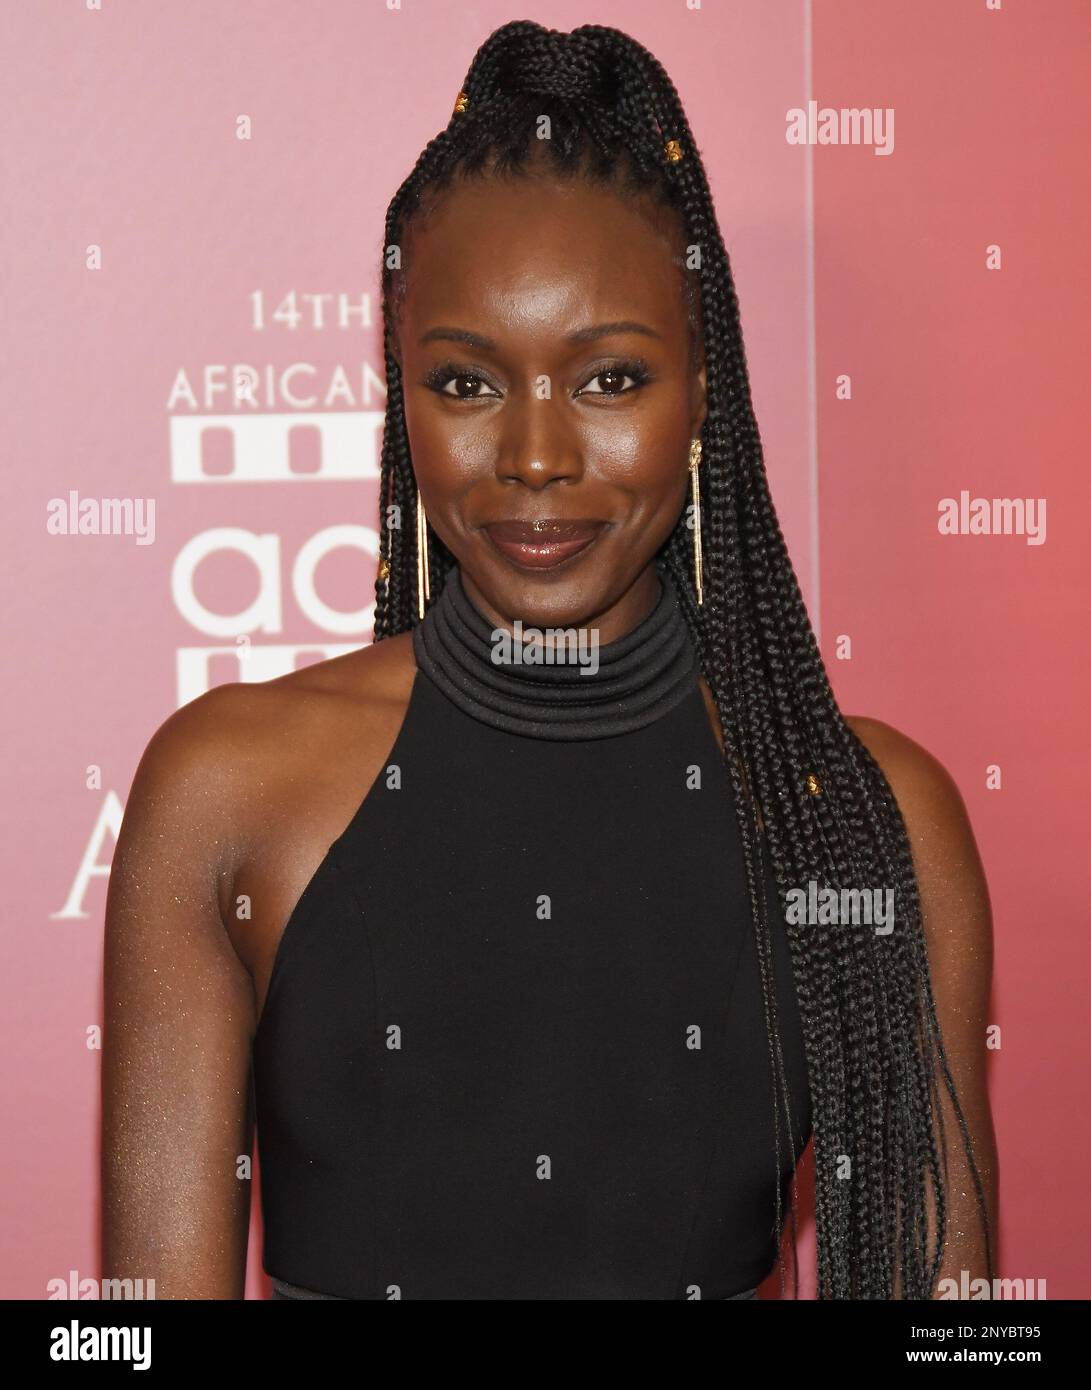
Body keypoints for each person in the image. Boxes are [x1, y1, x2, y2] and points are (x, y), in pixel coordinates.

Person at [101, 21, 997, 1300]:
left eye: (608, 378)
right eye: (465, 385)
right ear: (400, 399)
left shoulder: (866, 819)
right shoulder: (225, 790)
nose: (532, 456)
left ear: (702, 396)